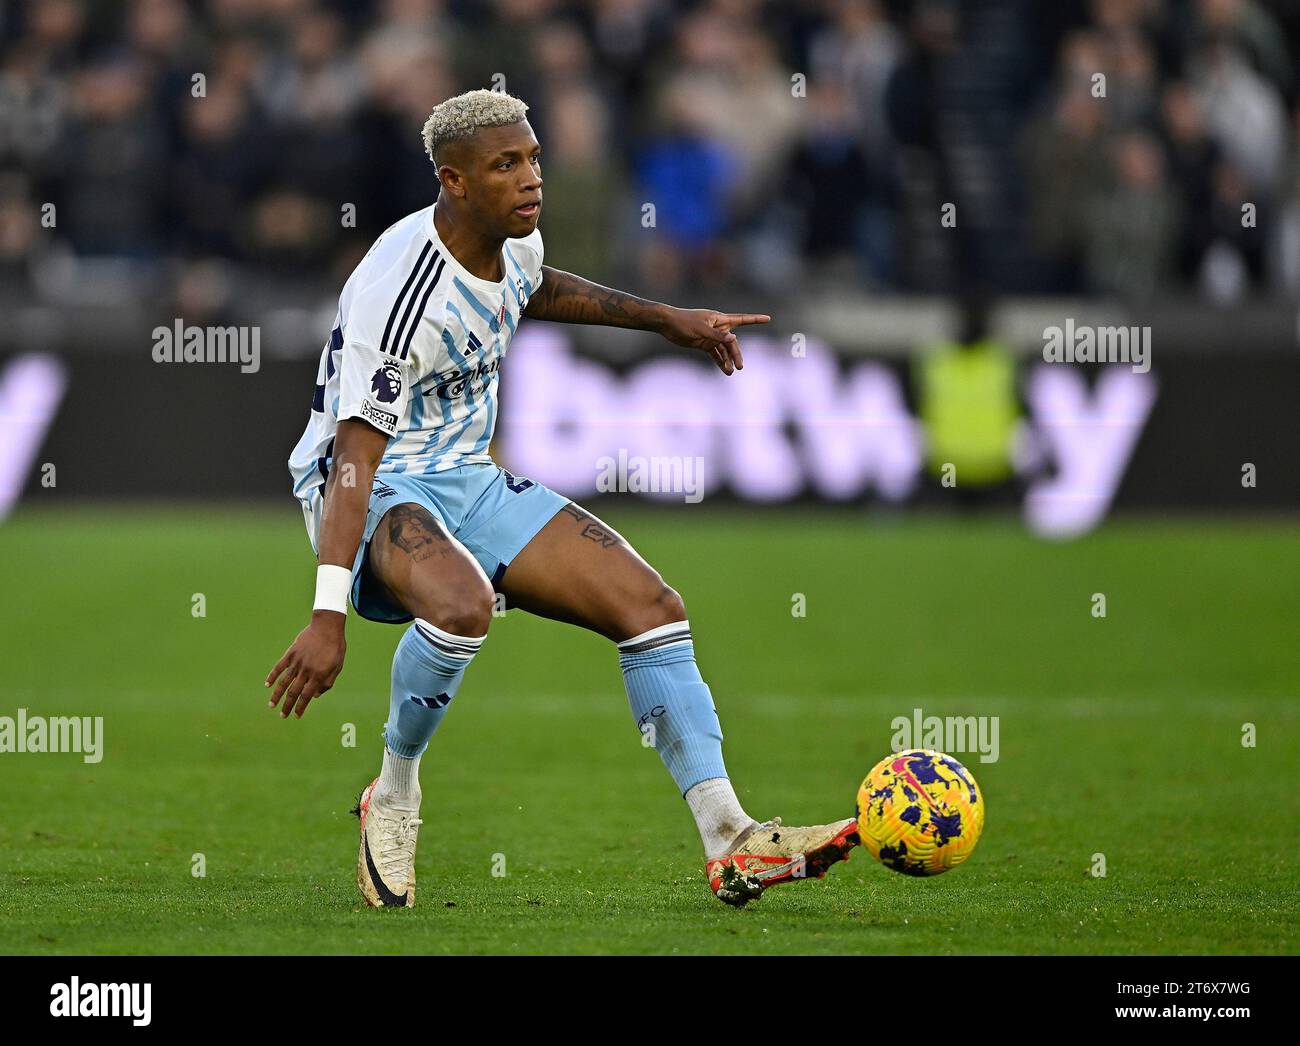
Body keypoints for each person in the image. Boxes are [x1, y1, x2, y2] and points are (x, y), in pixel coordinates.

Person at [265, 90, 857, 909]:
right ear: (454, 181)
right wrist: (327, 615)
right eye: (507, 165)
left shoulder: (512, 240)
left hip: (463, 472)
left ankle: (730, 837)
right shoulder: (399, 295)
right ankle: (394, 793)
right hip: (372, 480)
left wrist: (664, 321)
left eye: (535, 157)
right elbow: (357, 460)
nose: (532, 177)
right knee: (463, 607)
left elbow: (533, 289)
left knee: (652, 606)